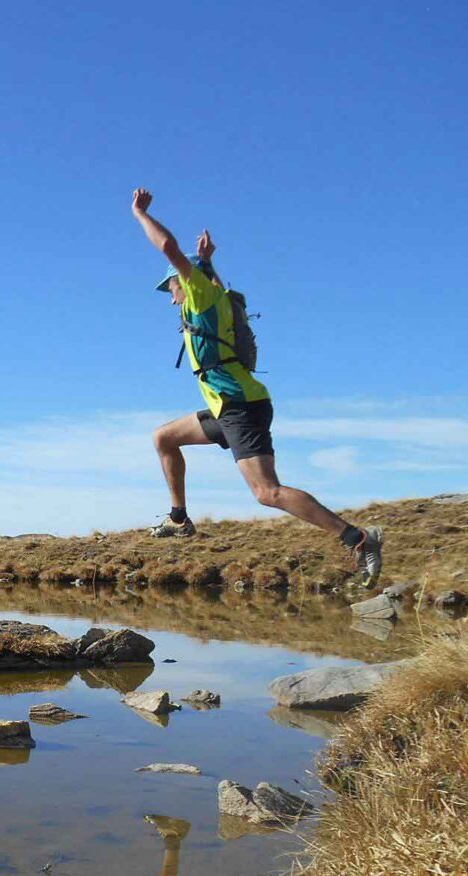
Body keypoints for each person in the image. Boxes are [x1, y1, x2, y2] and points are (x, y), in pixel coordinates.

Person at [130, 187, 382, 584]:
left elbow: (168, 246)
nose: (171, 297)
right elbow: (202, 275)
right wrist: (209, 261)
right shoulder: (212, 295)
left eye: (171, 288)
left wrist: (140, 213)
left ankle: (357, 538)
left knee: (267, 493)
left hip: (240, 406)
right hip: (226, 406)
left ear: (185, 281)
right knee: (163, 437)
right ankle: (179, 519)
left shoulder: (199, 293)